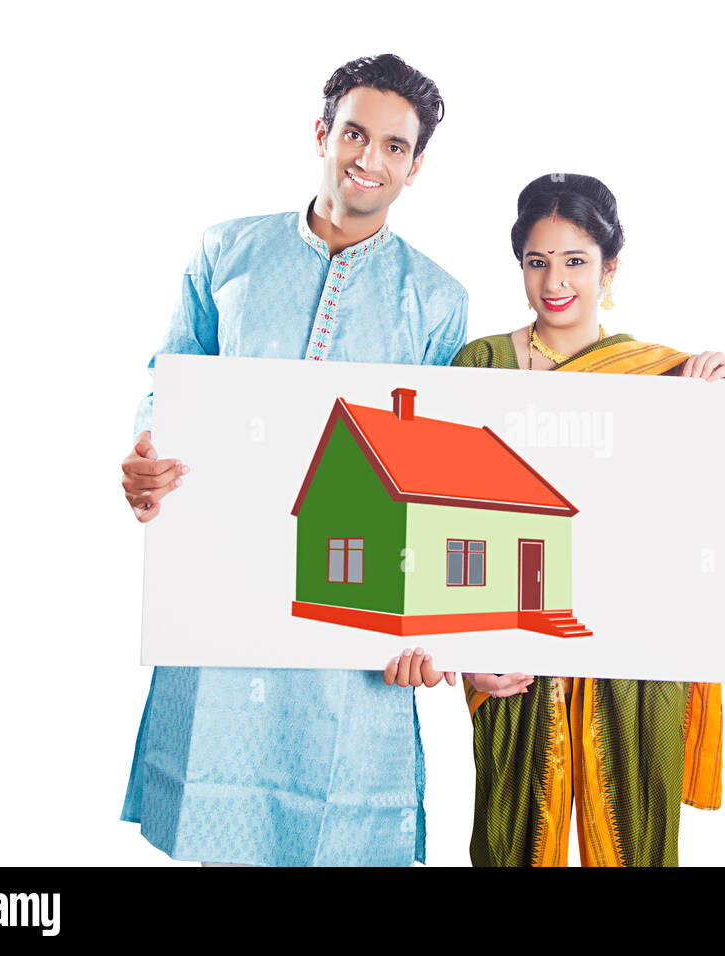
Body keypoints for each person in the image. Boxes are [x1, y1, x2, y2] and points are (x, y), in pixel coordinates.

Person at [119, 54, 462, 867]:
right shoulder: (227, 253)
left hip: (357, 625)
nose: (367, 159)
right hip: (226, 589)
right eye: (354, 133)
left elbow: (441, 470)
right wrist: (144, 456)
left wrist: (441, 625)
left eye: (393, 146)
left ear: (416, 168)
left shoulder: (437, 300)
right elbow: (169, 382)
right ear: (322, 132)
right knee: (223, 832)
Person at [435, 173, 725, 866]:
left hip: (635, 656)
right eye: (537, 262)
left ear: (610, 267)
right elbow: (443, 517)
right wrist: (466, 650)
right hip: (512, 650)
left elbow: (701, 511)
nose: (554, 282)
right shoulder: (480, 365)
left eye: (575, 261)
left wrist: (722, 405)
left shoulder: (662, 375)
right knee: (511, 836)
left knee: (638, 838)